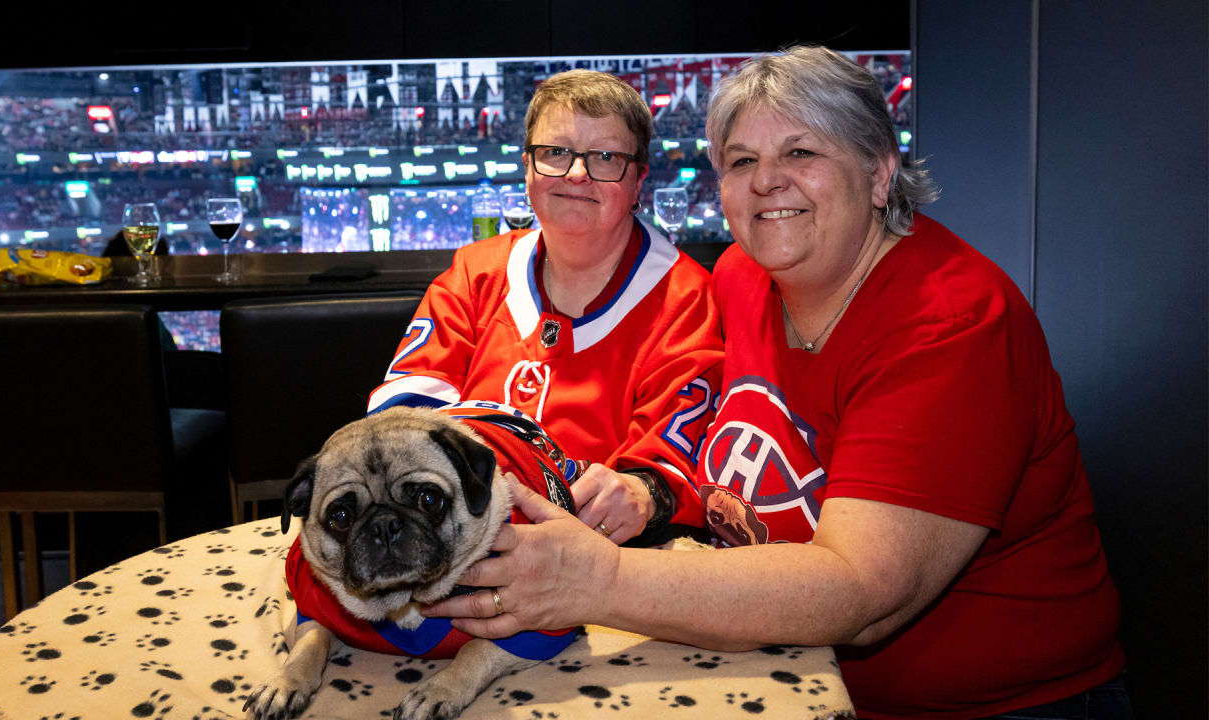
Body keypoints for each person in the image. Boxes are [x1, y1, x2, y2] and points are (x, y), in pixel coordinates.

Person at [421, 47, 1129, 719]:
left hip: (997, 706)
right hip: (789, 672)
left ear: (880, 172)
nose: (766, 181)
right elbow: (708, 448)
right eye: (741, 160)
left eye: (801, 152)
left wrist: (597, 579)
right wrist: (651, 491)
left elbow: (862, 591)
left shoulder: (950, 326)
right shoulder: (741, 279)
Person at [368, 69, 722, 547]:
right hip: (459, 539)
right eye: (556, 153)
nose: (576, 173)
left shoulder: (684, 299)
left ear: (639, 178)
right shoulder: (476, 273)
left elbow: (666, 469)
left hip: (601, 558)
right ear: (529, 168)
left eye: (605, 156)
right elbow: (401, 423)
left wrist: (643, 492)